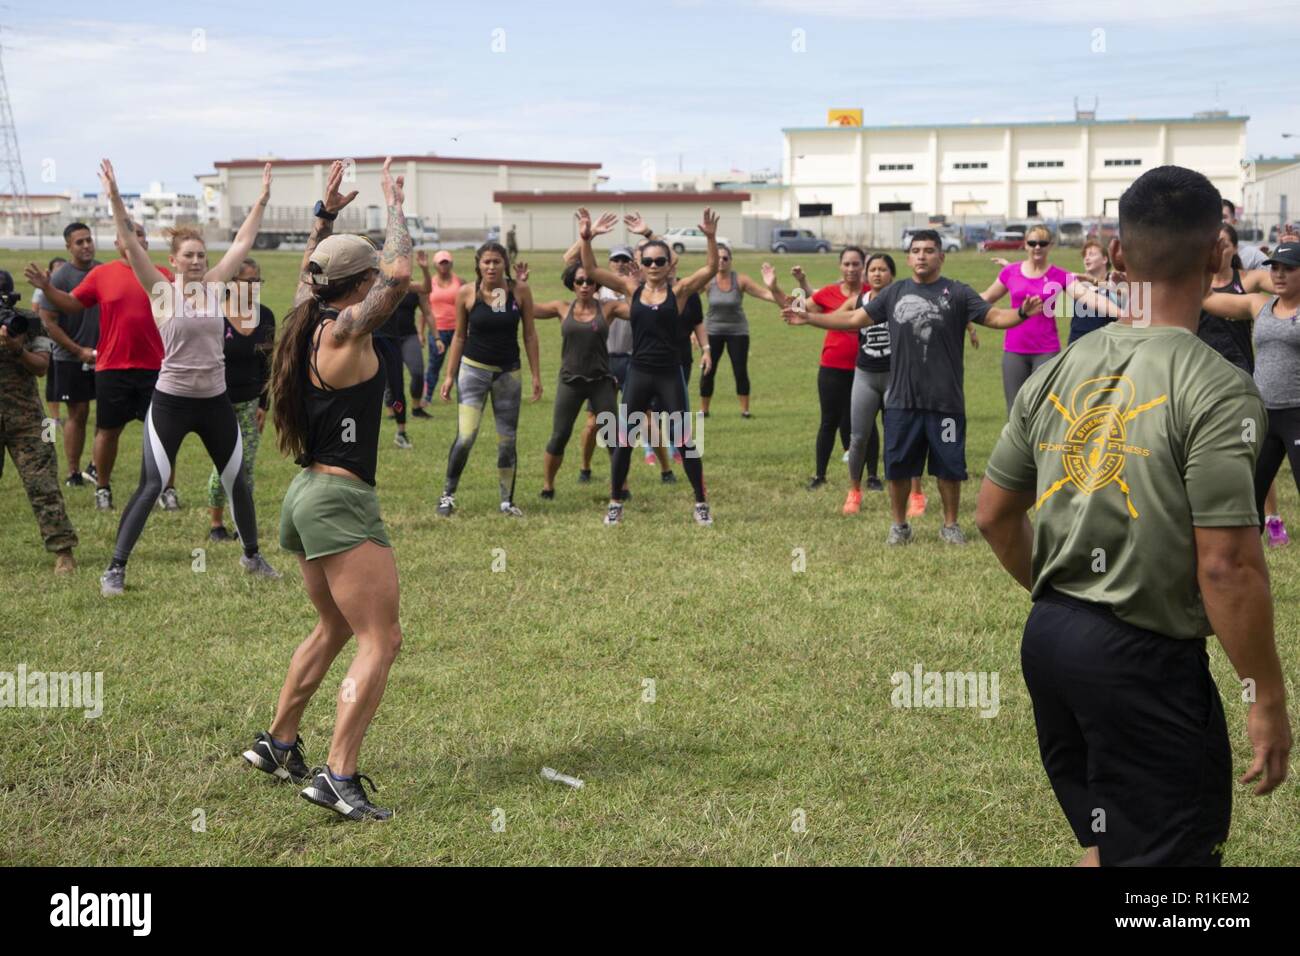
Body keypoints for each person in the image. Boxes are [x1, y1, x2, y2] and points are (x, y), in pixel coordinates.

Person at [977, 165, 1291, 866]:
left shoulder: (1064, 364)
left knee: (1112, 845)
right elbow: (1226, 564)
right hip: (1143, 668)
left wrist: (1066, 601)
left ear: (1117, 256)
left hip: (1050, 641)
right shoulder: (1218, 388)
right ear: (1219, 256)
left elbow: (995, 516)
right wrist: (1265, 696)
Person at [243, 158, 411, 822]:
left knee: (336, 624)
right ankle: (337, 776)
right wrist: (396, 207)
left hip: (304, 495)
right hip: (340, 502)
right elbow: (400, 276)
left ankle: (279, 744)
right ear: (360, 285)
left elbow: (309, 274)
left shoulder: (302, 322)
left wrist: (325, 215)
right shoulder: (343, 330)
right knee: (382, 639)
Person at [95, 158, 279, 597]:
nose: (197, 261)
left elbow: (243, 241)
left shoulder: (216, 286)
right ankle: (115, 569)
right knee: (152, 484)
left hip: (215, 402)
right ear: (173, 261)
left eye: (201, 255)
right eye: (189, 256)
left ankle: (251, 556)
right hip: (172, 403)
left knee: (238, 478)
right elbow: (128, 241)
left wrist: (262, 200)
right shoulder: (160, 291)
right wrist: (116, 198)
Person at [784, 230, 1036, 545]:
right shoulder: (894, 293)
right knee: (899, 466)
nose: (921, 256)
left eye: (929, 250)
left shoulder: (957, 292)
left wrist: (1023, 312)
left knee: (949, 467)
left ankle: (950, 525)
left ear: (941, 257)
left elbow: (996, 316)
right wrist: (809, 318)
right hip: (902, 400)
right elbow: (852, 321)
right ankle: (899, 525)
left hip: (946, 401)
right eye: (915, 250)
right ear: (908, 258)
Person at [577, 207, 717, 526]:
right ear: (639, 264)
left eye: (660, 261)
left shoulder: (679, 292)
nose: (654, 266)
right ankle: (615, 502)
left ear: (669, 266)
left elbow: (710, 267)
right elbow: (591, 269)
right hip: (639, 373)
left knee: (683, 439)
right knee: (624, 438)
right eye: (649, 261)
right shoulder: (631, 290)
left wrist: (709, 237)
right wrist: (586, 238)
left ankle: (700, 503)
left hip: (669, 373)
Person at [26, 220, 178, 512]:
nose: (136, 240)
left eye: (141, 235)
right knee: (108, 430)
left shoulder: (162, 276)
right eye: (128, 236)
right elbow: (70, 304)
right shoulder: (102, 274)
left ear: (146, 242)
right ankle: (103, 488)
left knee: (163, 432)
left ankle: (167, 489)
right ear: (118, 244)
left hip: (156, 367)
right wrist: (47, 287)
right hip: (112, 367)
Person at [1201, 240, 1300, 539]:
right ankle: (1246, 558)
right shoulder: (1260, 305)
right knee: (1249, 492)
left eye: (1289, 269)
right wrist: (1208, 263)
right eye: (1276, 269)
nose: (1279, 275)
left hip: (1297, 413)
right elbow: (1206, 298)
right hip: (1263, 415)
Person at [436, 239, 541, 517]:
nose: (491, 266)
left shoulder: (519, 291)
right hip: (473, 372)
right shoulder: (467, 293)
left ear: (505, 263)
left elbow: (530, 334)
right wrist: (448, 376)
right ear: (478, 264)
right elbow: (459, 336)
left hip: (508, 373)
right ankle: (447, 495)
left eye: (496, 261)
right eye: (486, 261)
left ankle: (507, 501)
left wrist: (536, 375)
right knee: (466, 436)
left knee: (507, 440)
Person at [0, 269, 77, 574]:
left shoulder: (29, 324)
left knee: (43, 485)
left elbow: (42, 368)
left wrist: (17, 349)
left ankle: (63, 551)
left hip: (29, 421)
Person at [533, 261, 617, 498]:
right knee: (559, 435)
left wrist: (633, 284)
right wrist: (518, 284)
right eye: (579, 281)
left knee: (612, 436)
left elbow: (639, 311)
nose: (585, 285)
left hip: (601, 381)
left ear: (597, 284)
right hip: (570, 382)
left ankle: (621, 485)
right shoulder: (562, 308)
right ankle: (548, 486)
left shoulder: (607, 309)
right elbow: (526, 308)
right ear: (572, 283)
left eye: (590, 281)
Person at [207, 258, 274, 542]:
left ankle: (241, 523)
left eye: (257, 281)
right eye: (249, 282)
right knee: (224, 463)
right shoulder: (213, 316)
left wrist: (264, 404)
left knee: (246, 465)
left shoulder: (266, 316)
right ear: (231, 284)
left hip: (250, 403)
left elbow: (268, 362)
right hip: (217, 402)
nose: (254, 287)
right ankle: (216, 524)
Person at [32, 225, 100, 488]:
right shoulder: (59, 279)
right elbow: (47, 320)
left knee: (106, 415)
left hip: (103, 357)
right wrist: (77, 350)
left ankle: (95, 467)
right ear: (68, 247)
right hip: (69, 357)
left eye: (89, 240)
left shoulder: (103, 271)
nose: (86, 246)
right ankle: (72, 471)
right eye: (79, 242)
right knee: (77, 412)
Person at [981, 225, 1070, 413]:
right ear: (1025, 245)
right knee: (1014, 410)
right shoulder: (1010, 272)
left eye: (1042, 243)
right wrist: (955, 299)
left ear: (1050, 246)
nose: (1037, 247)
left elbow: (1087, 297)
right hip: (1014, 349)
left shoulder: (1059, 275)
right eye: (1032, 243)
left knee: (1043, 410)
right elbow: (986, 298)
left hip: (1047, 350)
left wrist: (1121, 312)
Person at [697, 243, 782, 418]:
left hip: (738, 332)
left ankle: (745, 411)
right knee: (708, 370)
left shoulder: (740, 280)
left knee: (740, 370)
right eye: (718, 258)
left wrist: (781, 296)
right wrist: (691, 328)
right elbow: (688, 296)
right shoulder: (707, 280)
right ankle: (704, 410)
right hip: (712, 331)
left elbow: (764, 294)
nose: (721, 261)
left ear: (731, 261)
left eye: (725, 258)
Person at [373, 283, 427, 449]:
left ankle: (401, 432)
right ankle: (353, 436)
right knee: (364, 390)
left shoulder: (398, 283)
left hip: (390, 339)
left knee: (397, 389)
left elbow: (426, 288)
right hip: (368, 338)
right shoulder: (364, 280)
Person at [420, 250, 460, 408]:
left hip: (458, 330)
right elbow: (425, 310)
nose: (444, 266)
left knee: (460, 365)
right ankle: (427, 397)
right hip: (438, 331)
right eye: (441, 263)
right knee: (434, 365)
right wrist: (421, 332)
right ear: (435, 265)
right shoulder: (430, 284)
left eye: (447, 262)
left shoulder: (459, 282)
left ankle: (462, 397)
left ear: (451, 264)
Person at [1065, 240, 1120, 344]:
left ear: (1104, 259)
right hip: (1078, 341)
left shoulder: (1115, 280)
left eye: (1092, 254)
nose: (1087, 258)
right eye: (1085, 255)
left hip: (1107, 342)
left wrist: (1093, 281)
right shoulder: (1078, 282)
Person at [1222, 199, 1267, 270]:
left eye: (1224, 217)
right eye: (1215, 217)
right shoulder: (1201, 256)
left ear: (1234, 222)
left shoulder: (1253, 256)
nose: (1220, 222)